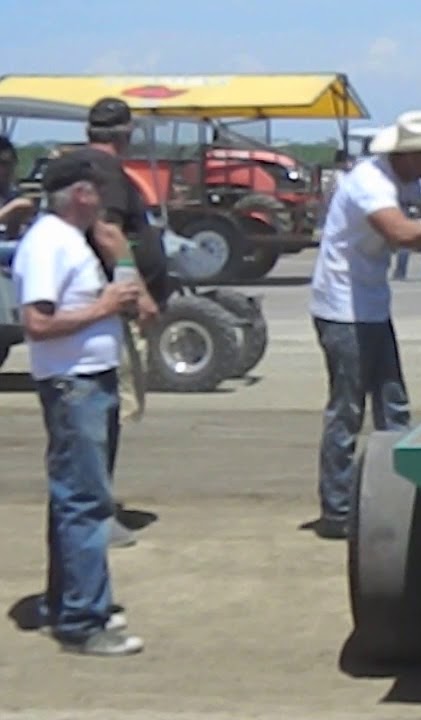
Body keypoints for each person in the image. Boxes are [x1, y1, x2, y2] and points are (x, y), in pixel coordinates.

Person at [308, 110, 421, 539]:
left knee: (393, 405)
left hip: (369, 305)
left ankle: (404, 497)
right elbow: (402, 234)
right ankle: (336, 510)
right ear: (412, 153)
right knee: (348, 410)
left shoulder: (404, 177)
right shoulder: (370, 182)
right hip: (342, 309)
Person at [12, 155, 146, 656]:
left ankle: (69, 599)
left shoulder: (67, 240)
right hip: (74, 386)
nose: (103, 201)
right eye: (98, 190)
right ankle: (83, 621)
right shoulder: (48, 243)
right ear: (81, 194)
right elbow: (37, 324)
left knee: (77, 497)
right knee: (85, 501)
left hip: (89, 382)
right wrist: (104, 307)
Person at [62, 97, 169, 550]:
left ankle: (94, 506)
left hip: (98, 306)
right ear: (125, 133)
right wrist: (139, 290)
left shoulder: (78, 165)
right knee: (106, 411)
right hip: (109, 309)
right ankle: (97, 513)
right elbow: (108, 232)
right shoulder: (108, 173)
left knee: (105, 413)